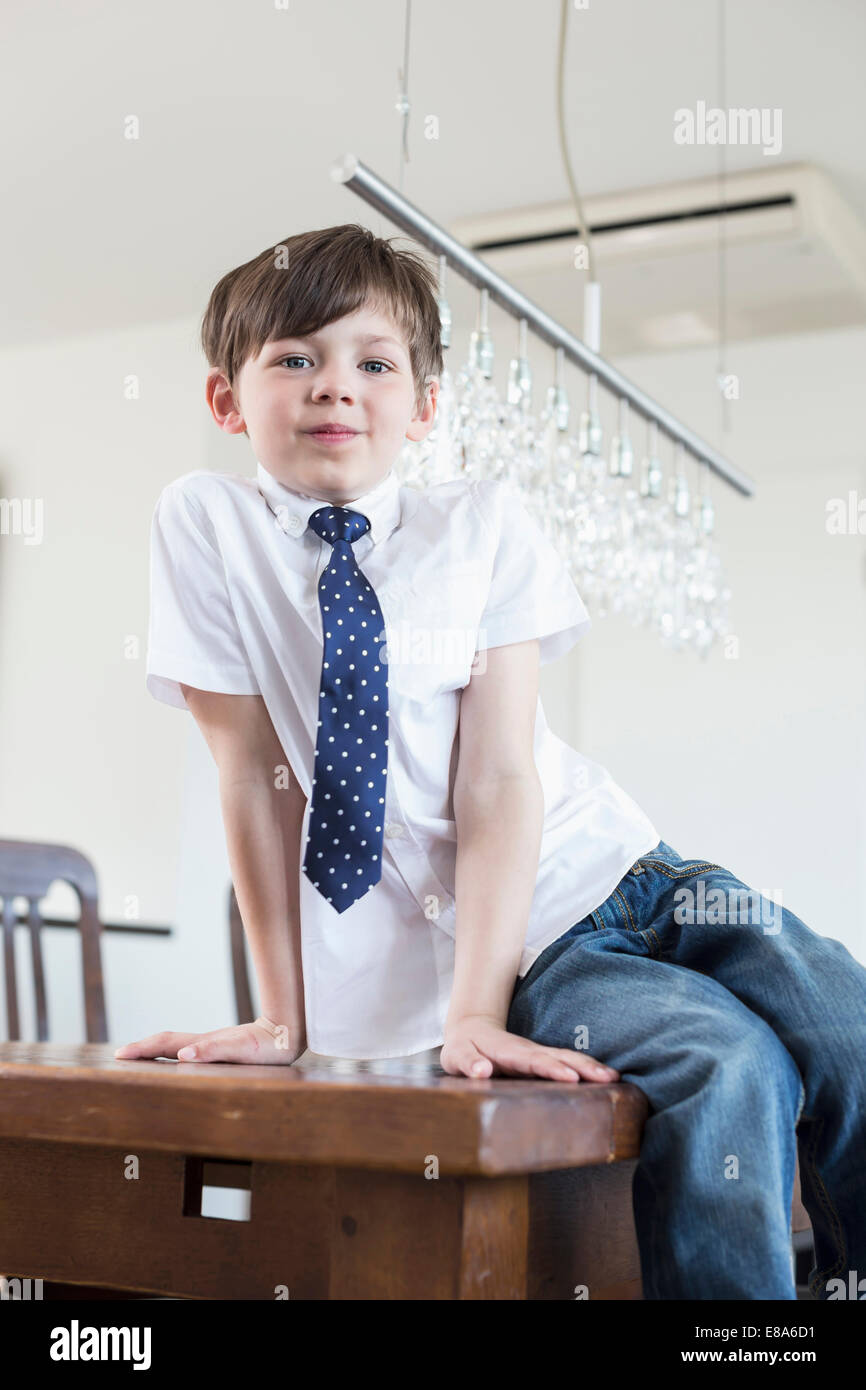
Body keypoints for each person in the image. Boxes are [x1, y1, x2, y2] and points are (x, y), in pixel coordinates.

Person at [116, 223, 866, 1301]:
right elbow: (251, 777)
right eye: (295, 358)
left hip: (620, 869)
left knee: (840, 1016)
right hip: (538, 953)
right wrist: (296, 1016)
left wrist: (470, 1013)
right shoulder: (204, 527)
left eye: (374, 363)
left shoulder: (483, 524)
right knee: (729, 1066)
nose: (336, 387)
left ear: (423, 407)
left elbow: (499, 778)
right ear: (226, 400)